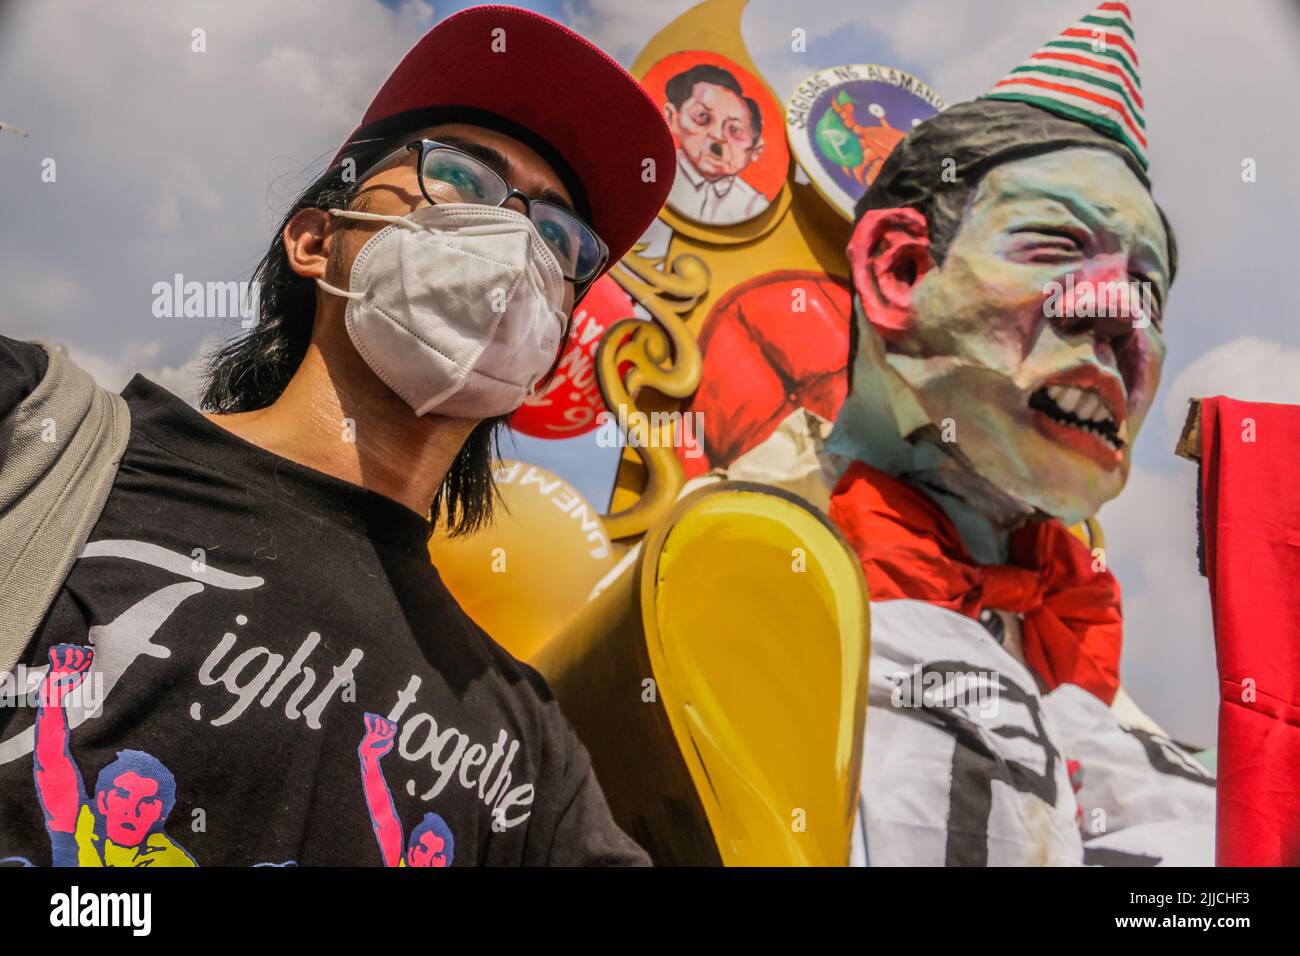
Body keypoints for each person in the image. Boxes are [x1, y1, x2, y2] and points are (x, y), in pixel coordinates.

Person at [0, 5, 675, 867]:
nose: (514, 242)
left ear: (544, 354)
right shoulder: (38, 437)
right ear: (317, 240)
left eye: (557, 237)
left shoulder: (530, 754)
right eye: (464, 179)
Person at [686, 1, 1215, 865]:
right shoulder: (731, 548)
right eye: (1053, 247)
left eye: (1148, 293)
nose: (1124, 320)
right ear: (896, 269)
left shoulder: (1095, 687)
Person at [663, 63, 769, 225]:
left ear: (755, 150)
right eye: (702, 117)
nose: (718, 137)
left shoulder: (753, 205)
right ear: (672, 117)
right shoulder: (654, 173)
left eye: (735, 130)